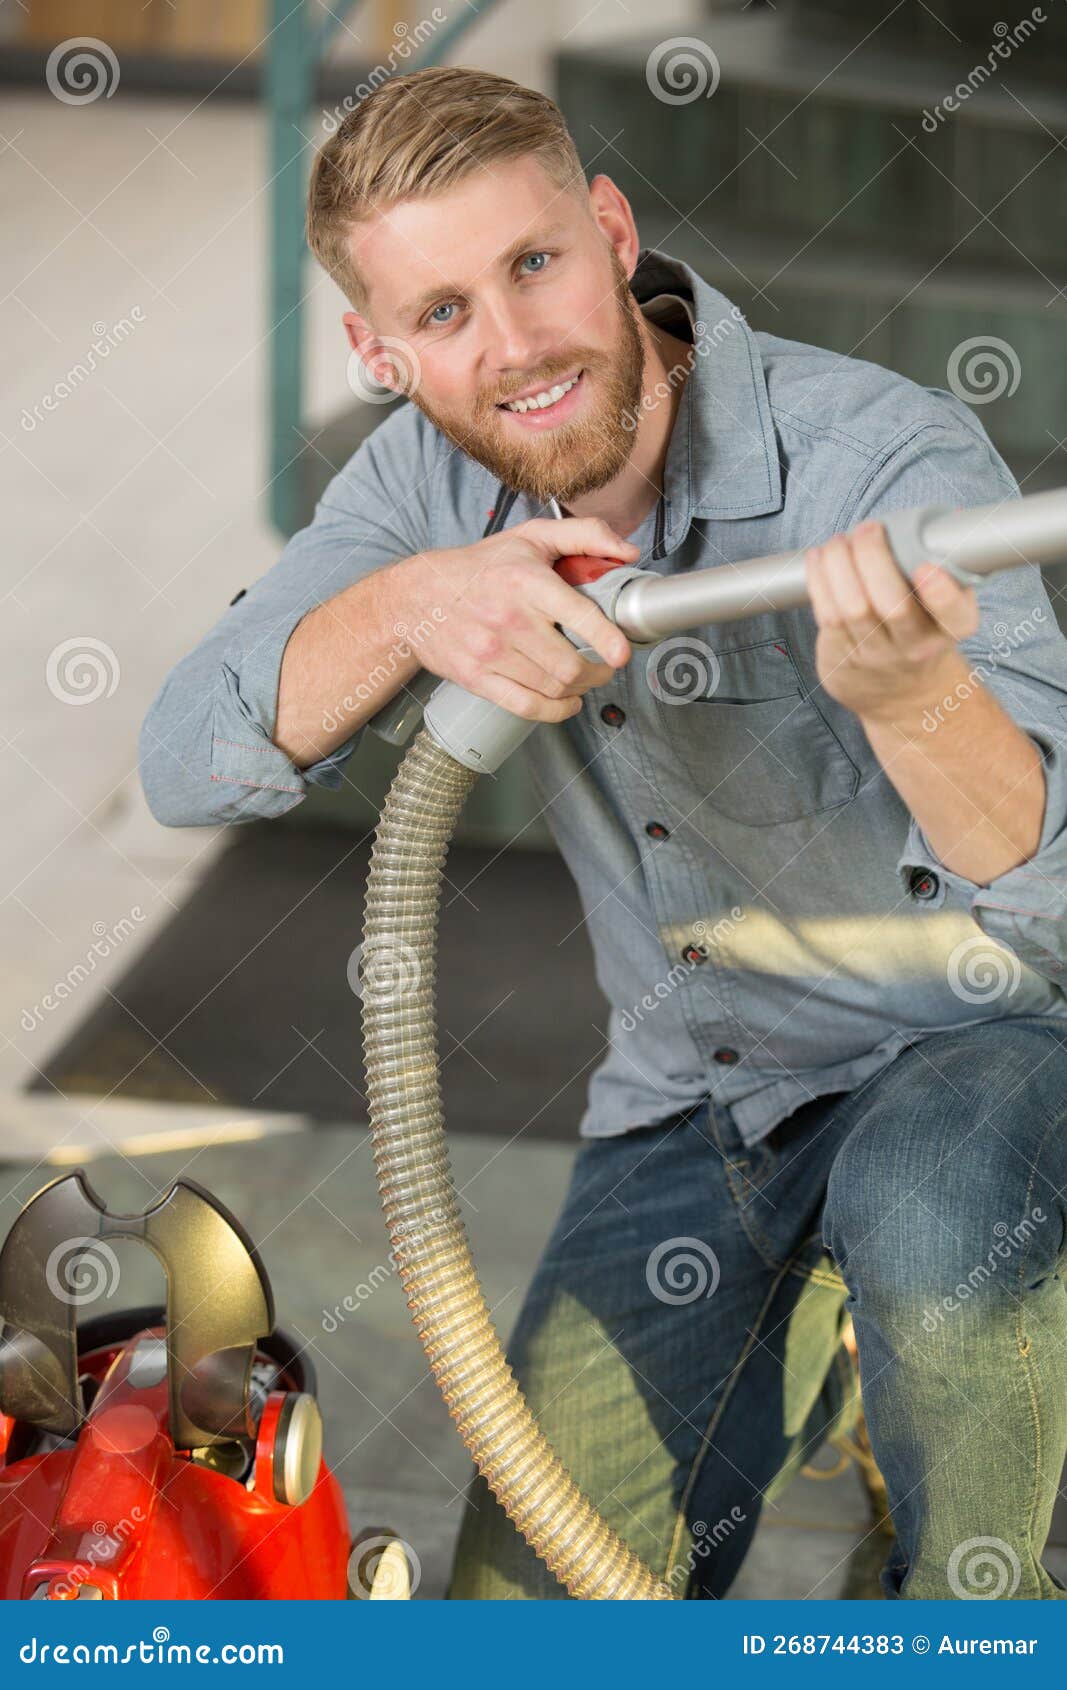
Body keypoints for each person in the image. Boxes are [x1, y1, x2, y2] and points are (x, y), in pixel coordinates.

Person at [139, 66, 1067, 1600]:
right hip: (705, 1097)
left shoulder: (880, 456)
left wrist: (914, 701)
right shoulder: (422, 488)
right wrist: (408, 603)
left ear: (614, 234)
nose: (514, 347)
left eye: (534, 264)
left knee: (928, 1214)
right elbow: (187, 758)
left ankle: (961, 1572)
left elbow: (1050, 892)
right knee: (533, 1619)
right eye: (441, 315)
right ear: (376, 351)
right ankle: (839, 1350)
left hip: (975, 1054)